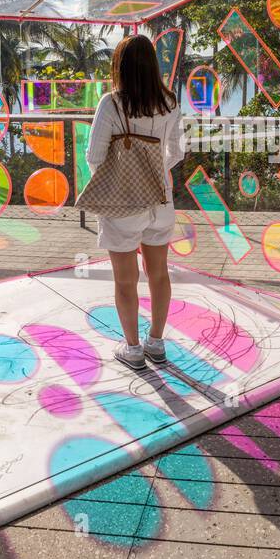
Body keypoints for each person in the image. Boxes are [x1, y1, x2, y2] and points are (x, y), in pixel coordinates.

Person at [85, 35, 184, 370]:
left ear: (120, 67)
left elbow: (95, 156)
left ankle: (133, 350)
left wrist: (124, 175)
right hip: (161, 199)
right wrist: (152, 170)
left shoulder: (112, 103)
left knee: (125, 280)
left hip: (123, 204)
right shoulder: (169, 101)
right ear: (152, 65)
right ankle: (156, 343)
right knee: (159, 274)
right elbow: (176, 152)